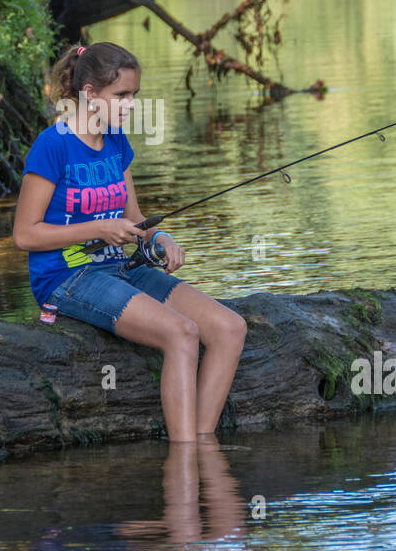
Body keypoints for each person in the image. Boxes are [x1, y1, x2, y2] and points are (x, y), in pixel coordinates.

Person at [12, 41, 247, 441]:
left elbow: (135, 218)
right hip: (66, 277)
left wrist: (161, 239)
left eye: (134, 95)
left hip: (118, 269)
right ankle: (183, 458)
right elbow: (24, 235)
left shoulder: (116, 141)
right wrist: (99, 229)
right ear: (89, 95)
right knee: (182, 333)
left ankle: (203, 446)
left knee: (230, 328)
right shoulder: (53, 145)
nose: (130, 104)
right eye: (121, 95)